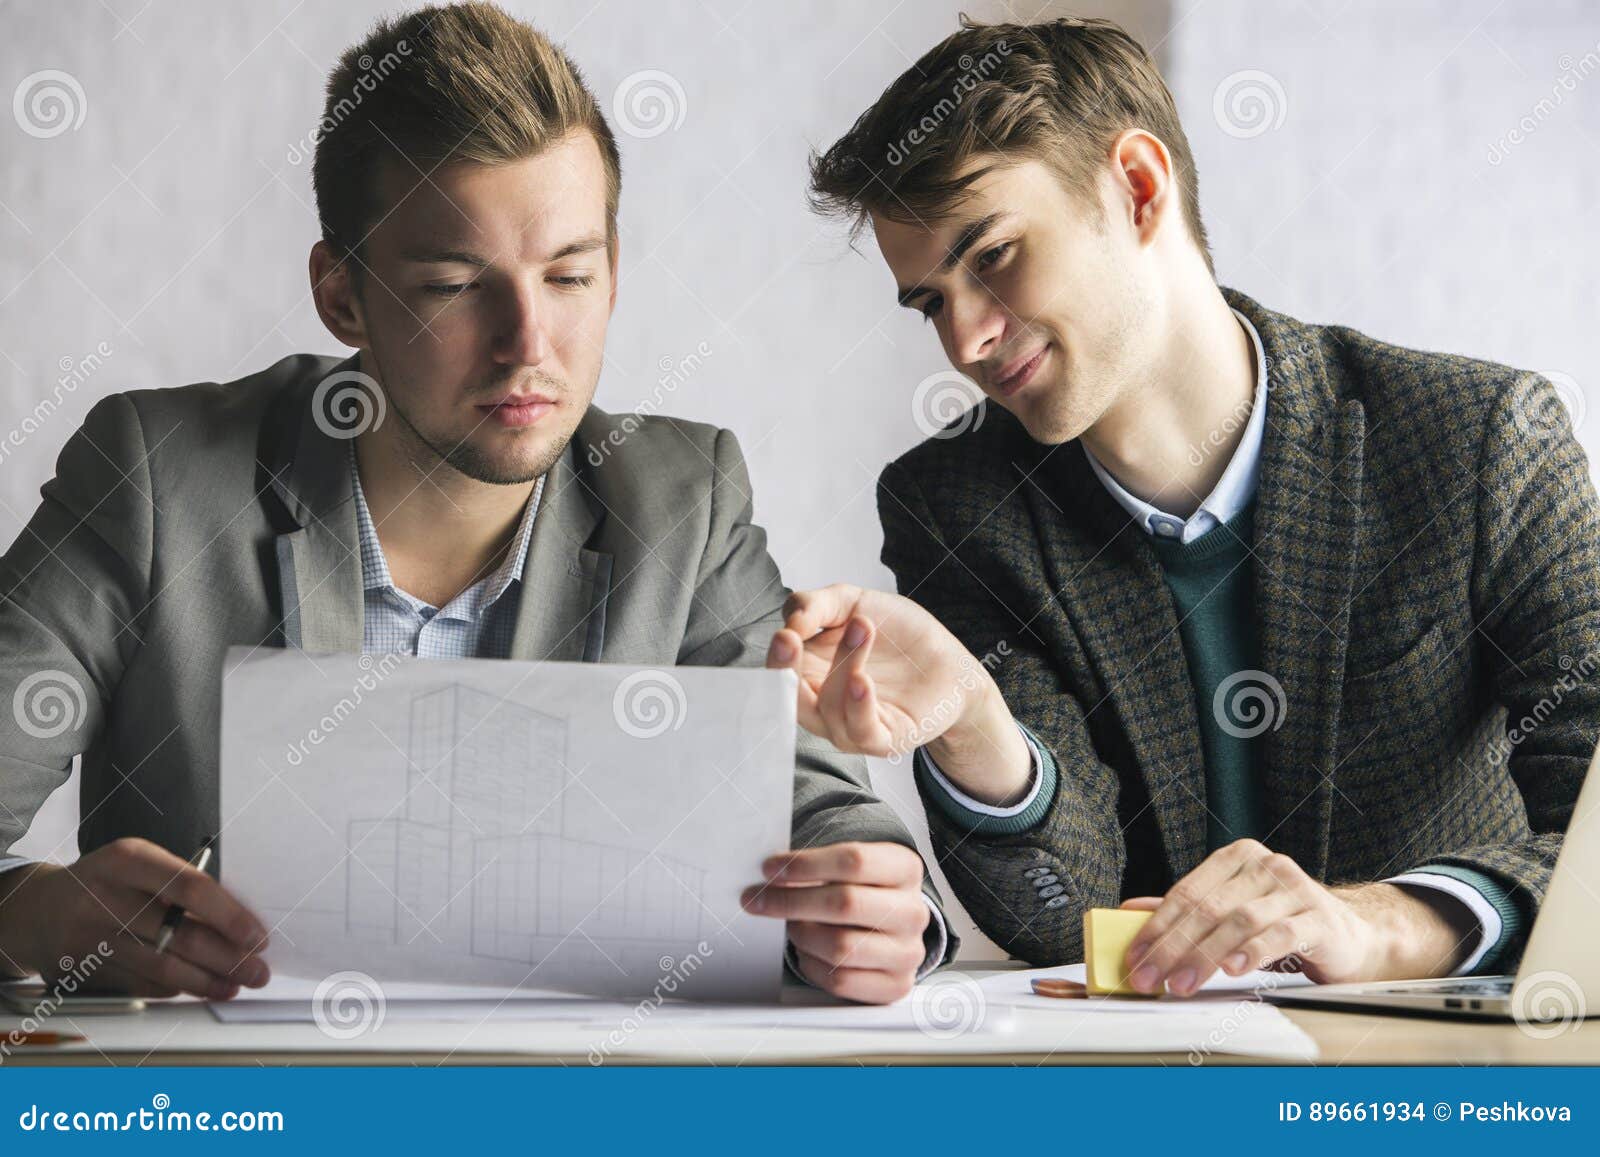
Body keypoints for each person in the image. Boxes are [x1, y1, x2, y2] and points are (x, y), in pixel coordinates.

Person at [0, 2, 952, 1007]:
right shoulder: (156, 475)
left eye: (570, 274)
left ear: (614, 276)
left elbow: (817, 808)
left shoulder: (682, 500)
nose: (528, 343)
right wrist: (28, 914)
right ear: (342, 296)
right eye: (455, 284)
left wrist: (879, 911)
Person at [770, 15, 1600, 996]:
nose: (965, 341)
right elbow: (1052, 910)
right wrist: (972, 715)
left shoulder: (1480, 438)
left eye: (991, 255)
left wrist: (1375, 924)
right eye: (930, 301)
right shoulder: (955, 504)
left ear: (1136, 187)